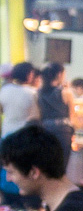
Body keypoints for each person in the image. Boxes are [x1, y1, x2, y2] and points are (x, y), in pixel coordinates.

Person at [0, 63, 39, 203]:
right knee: (22, 167)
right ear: (29, 75)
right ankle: (22, 194)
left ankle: (6, 196)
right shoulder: (32, 93)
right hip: (24, 137)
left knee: (7, 166)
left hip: (6, 134)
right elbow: (36, 116)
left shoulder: (4, 90)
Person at [36, 63, 73, 159]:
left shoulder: (38, 92)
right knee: (61, 163)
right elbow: (72, 117)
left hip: (44, 129)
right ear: (60, 74)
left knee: (46, 163)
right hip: (63, 131)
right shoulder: (66, 92)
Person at [67, 78, 83, 184]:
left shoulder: (81, 101)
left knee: (80, 165)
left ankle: (81, 183)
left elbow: (77, 120)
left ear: (79, 88)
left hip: (82, 135)